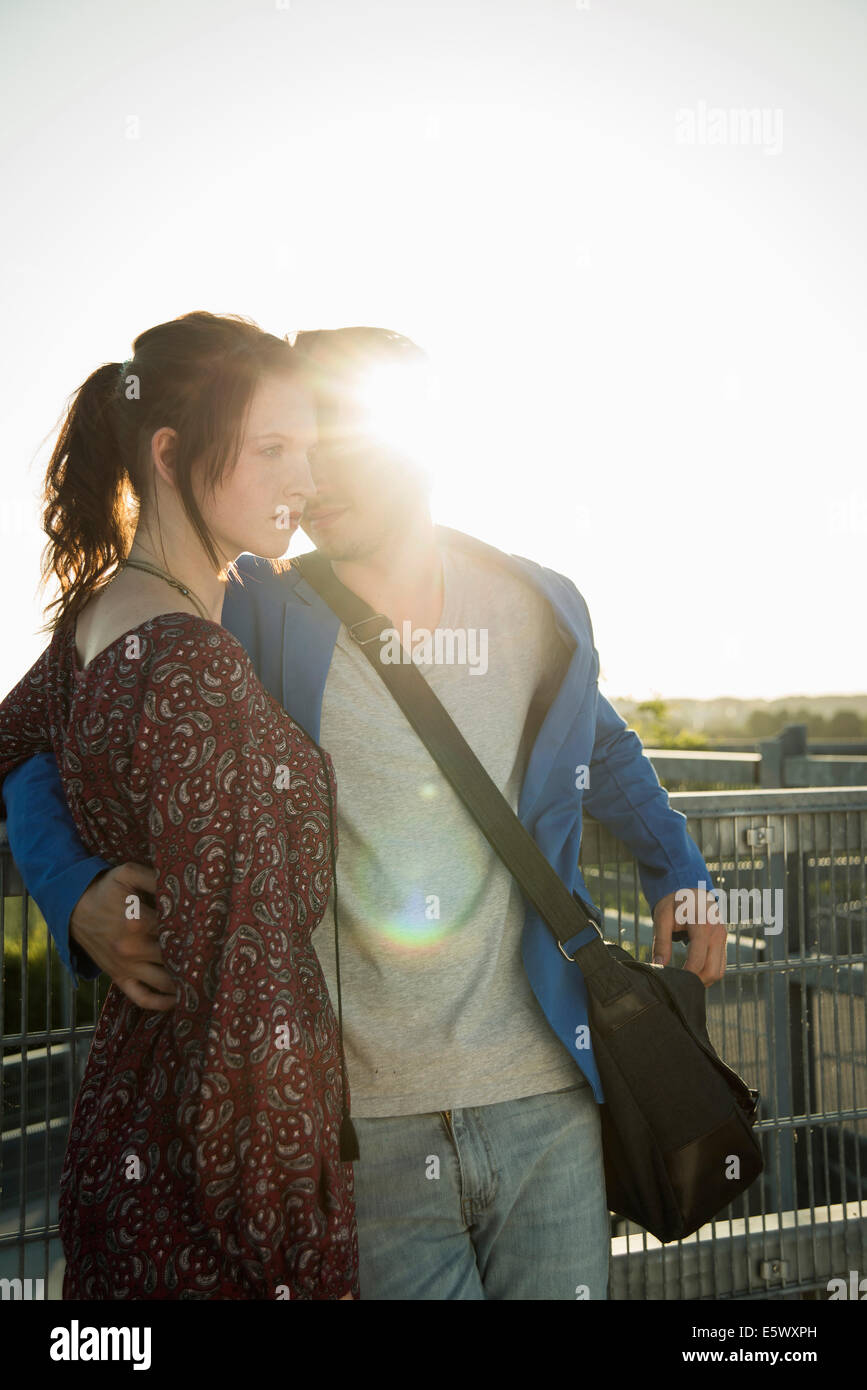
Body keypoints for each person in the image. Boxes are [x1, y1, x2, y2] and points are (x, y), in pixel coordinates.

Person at [3, 326, 725, 1301]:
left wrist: (679, 867)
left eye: (336, 443)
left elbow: (605, 747)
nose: (311, 478)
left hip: (547, 1095)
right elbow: (42, 729)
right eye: (292, 447)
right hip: (359, 1121)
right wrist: (74, 887)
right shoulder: (249, 605)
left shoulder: (536, 603)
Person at [0, 312, 358, 1300]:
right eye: (275, 448)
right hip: (215, 1211)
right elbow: (241, 994)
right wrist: (295, 1245)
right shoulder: (193, 662)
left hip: (126, 1138)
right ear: (169, 453)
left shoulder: (100, 617)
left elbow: (10, 738)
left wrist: (72, 884)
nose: (308, 480)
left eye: (312, 448)